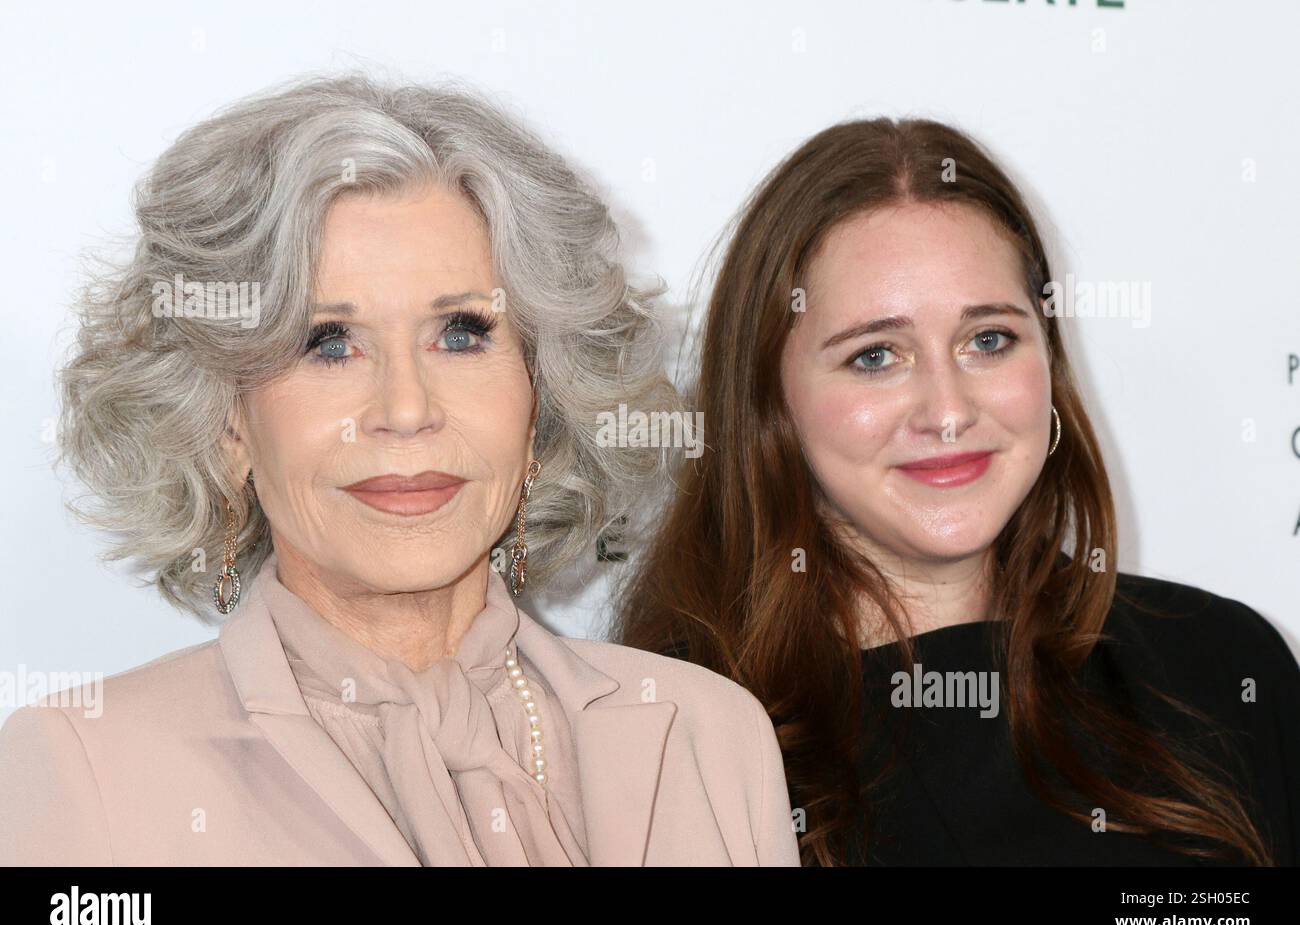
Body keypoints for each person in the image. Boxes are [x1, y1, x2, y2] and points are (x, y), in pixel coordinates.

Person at [0, 73, 800, 867]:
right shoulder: (88, 769)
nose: (407, 408)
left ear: (541, 397)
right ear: (228, 421)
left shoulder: (709, 736)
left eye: (461, 334)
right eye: (328, 343)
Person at [616, 117, 1300, 866]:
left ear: (1050, 360)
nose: (948, 412)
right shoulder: (668, 735)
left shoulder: (1218, 667)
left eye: (989, 340)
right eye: (875, 355)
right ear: (770, 403)